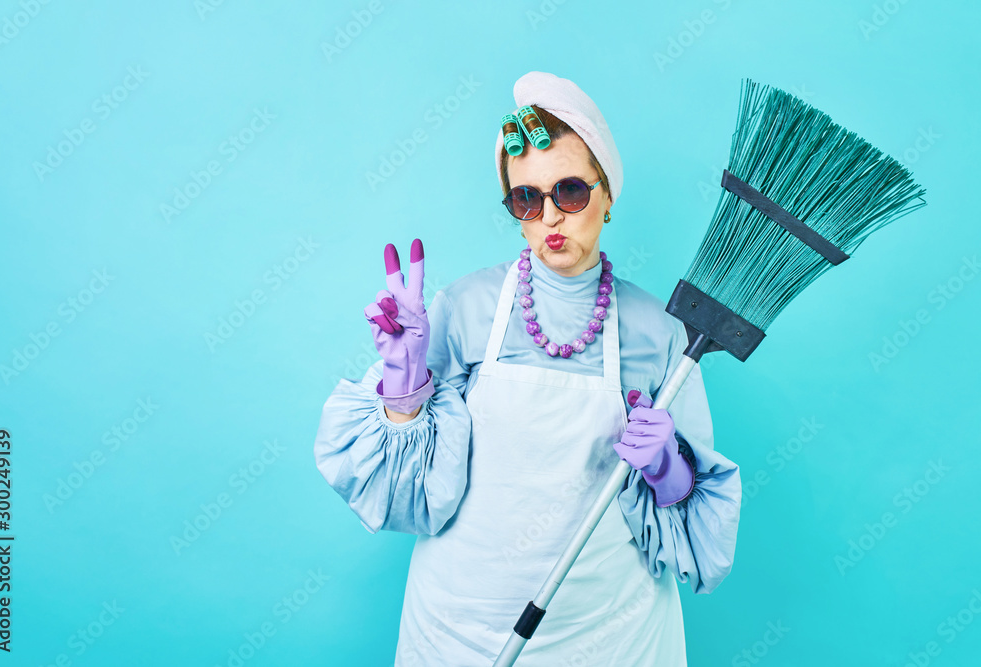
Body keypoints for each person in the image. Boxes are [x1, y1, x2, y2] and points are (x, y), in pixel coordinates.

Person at [314, 71, 742, 666]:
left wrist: (669, 469)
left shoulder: (661, 331)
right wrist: (404, 388)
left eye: (569, 191)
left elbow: (699, 545)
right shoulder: (464, 308)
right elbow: (405, 499)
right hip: (460, 631)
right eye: (526, 198)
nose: (550, 217)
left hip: (610, 636)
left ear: (607, 194)